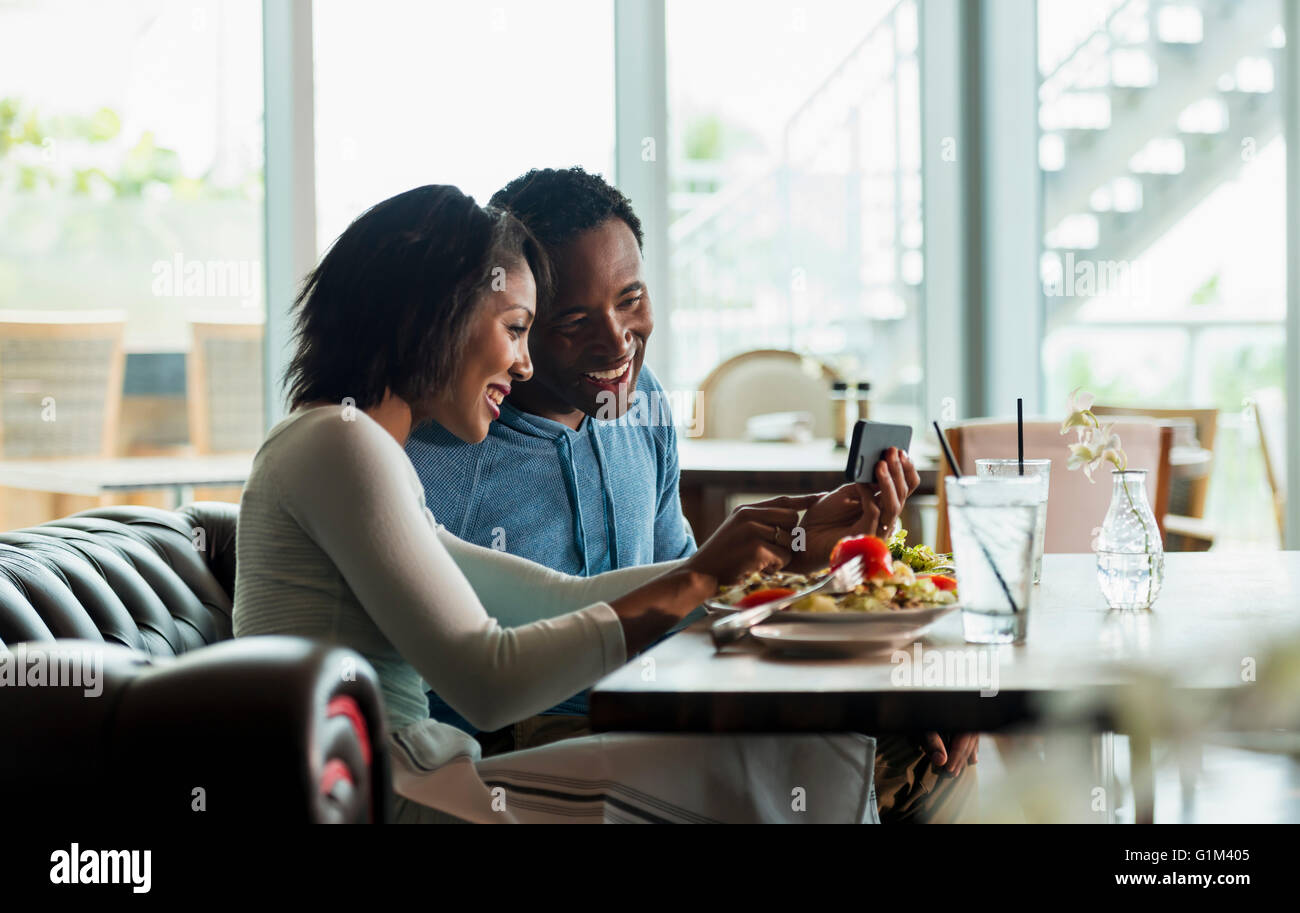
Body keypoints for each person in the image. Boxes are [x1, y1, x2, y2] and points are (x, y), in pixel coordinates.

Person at [233, 184, 881, 823]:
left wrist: (751, 558)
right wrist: (702, 575)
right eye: (517, 328)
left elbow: (552, 598)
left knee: (805, 752)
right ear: (431, 317)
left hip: (416, 776)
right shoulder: (341, 444)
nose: (521, 365)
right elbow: (488, 681)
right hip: (391, 792)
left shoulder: (355, 449)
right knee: (803, 757)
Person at [406, 167, 978, 822]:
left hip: (670, 704)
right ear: (519, 314)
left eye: (630, 299)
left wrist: (846, 576)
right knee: (859, 770)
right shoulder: (435, 448)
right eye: (572, 319)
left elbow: (700, 609)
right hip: (523, 737)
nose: (617, 340)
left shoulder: (645, 406)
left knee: (926, 752)